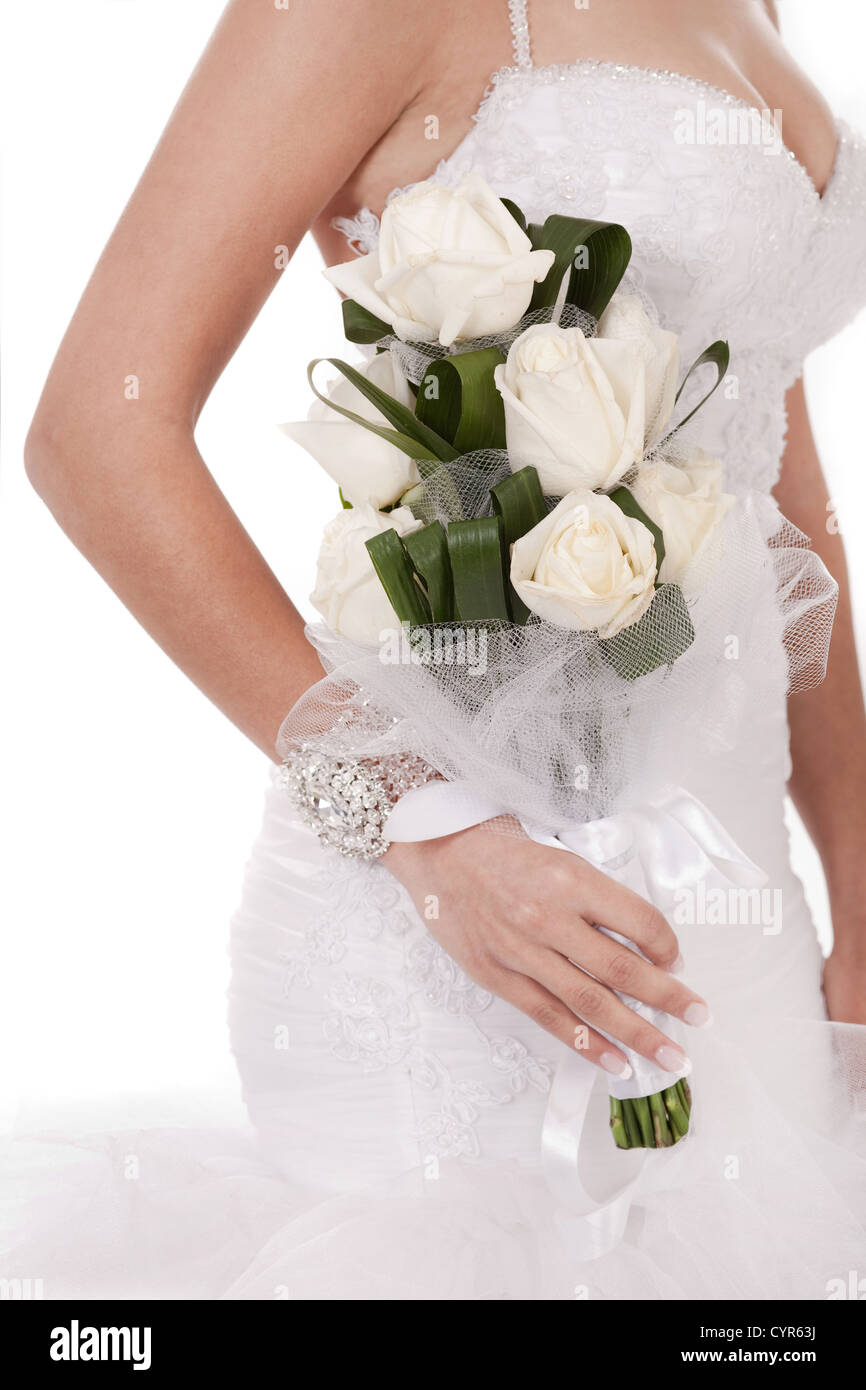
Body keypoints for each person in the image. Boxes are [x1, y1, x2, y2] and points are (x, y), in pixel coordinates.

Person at [20, 0, 866, 1299]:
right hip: (472, 926)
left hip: (738, 918)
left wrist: (860, 866)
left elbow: (771, 481)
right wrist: (436, 828)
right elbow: (94, 436)